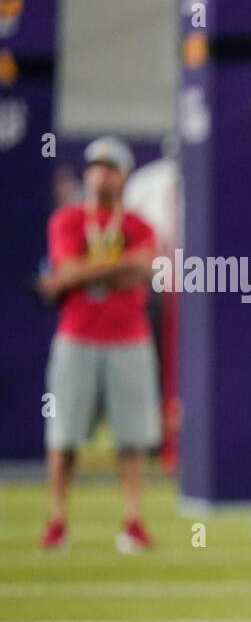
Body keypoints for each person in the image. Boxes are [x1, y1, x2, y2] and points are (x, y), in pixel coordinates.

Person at [36, 137, 160, 553]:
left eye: (108, 167)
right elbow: (66, 271)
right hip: (78, 335)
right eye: (94, 166)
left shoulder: (138, 225)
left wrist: (80, 274)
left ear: (123, 176)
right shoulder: (68, 220)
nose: (99, 174)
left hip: (128, 337)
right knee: (64, 434)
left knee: (132, 437)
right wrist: (115, 270)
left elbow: (142, 268)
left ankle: (132, 520)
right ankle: (57, 520)